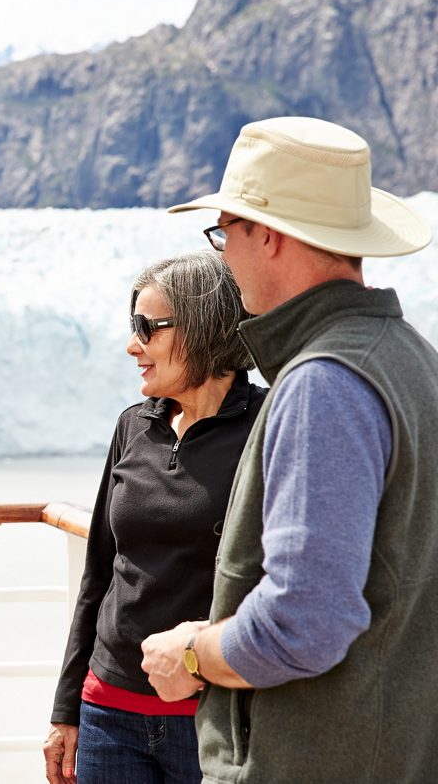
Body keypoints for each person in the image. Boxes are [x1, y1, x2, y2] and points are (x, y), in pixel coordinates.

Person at [140, 117, 437, 783]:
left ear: (267, 236)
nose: (223, 256)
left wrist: (192, 652)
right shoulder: (414, 362)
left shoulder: (324, 382)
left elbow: (305, 623)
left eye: (225, 233)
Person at [43, 252, 265, 784]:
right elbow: (99, 572)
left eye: (149, 327)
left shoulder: (267, 425)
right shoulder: (132, 427)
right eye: (132, 326)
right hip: (108, 714)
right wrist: (65, 709)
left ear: (204, 326)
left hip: (214, 717)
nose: (132, 345)